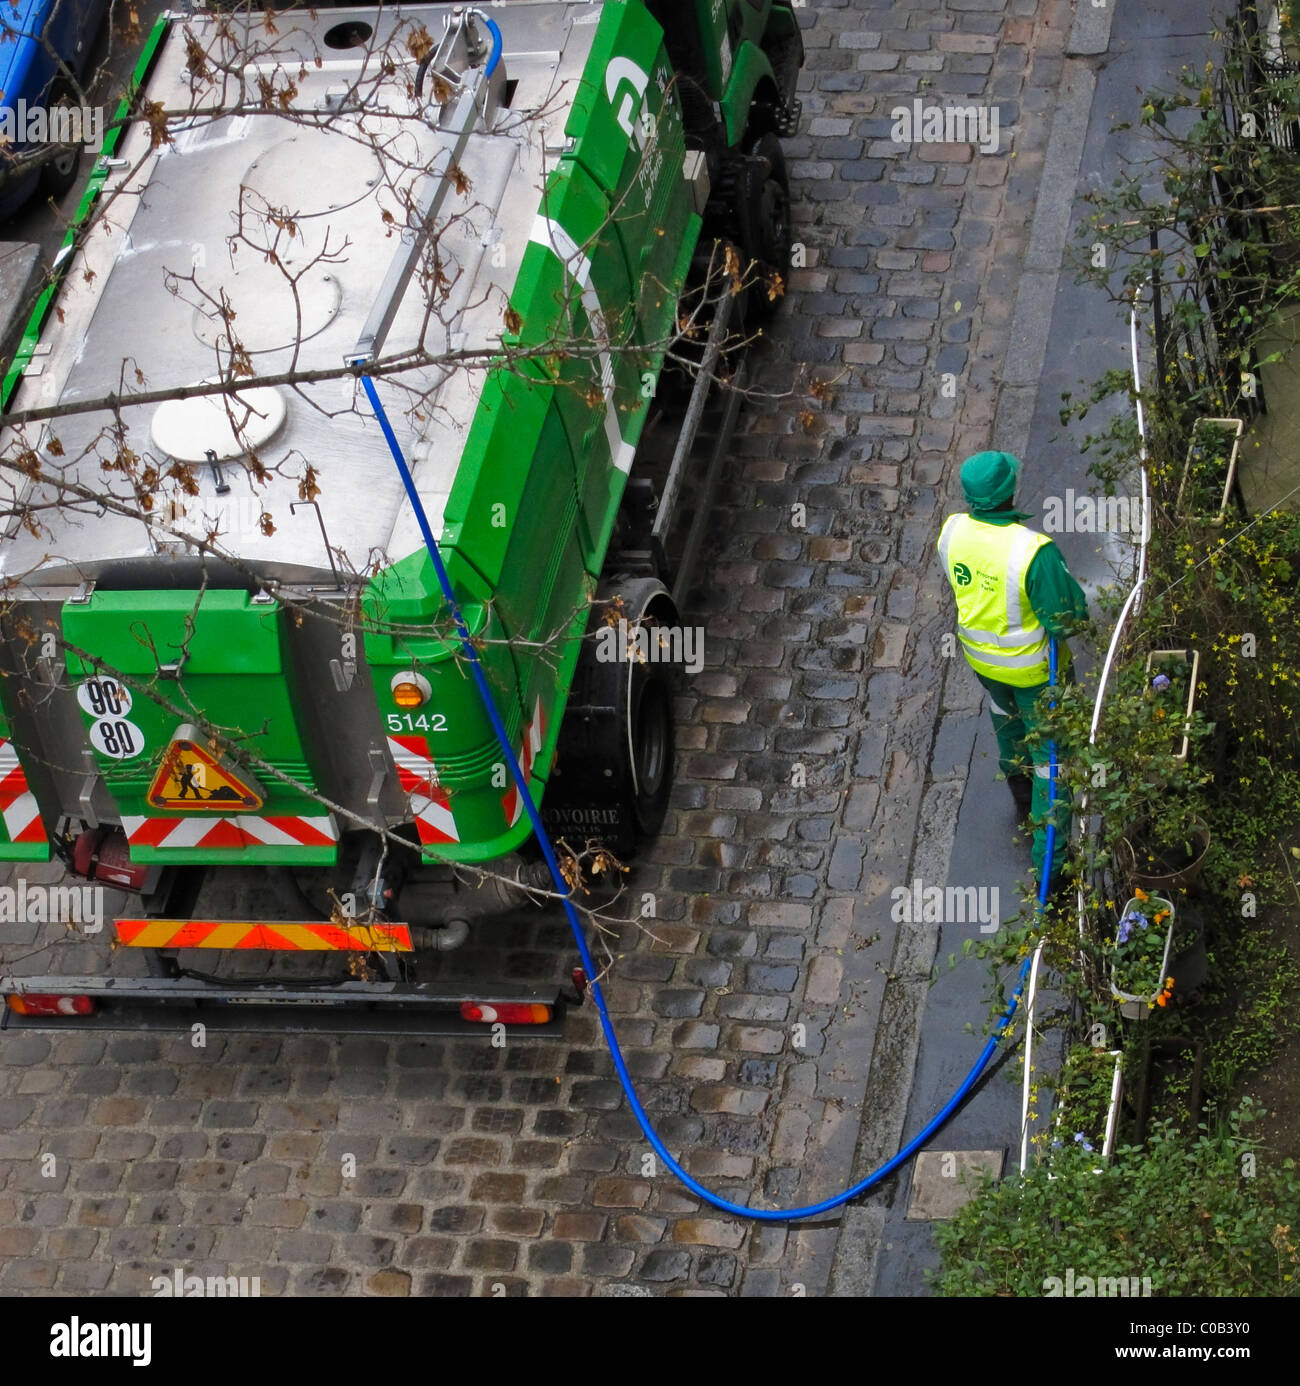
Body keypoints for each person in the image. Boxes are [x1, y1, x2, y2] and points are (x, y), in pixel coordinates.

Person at [937, 451, 1089, 893]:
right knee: (1052, 763)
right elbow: (1066, 619)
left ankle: (1018, 790)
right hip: (1035, 673)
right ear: (1009, 491)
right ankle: (1051, 865)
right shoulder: (1032, 551)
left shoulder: (951, 532)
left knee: (1005, 720)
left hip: (982, 661)